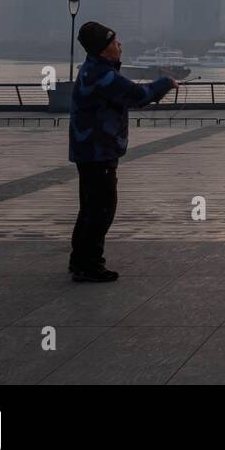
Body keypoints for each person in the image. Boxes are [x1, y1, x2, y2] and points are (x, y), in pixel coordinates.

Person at [68, 21, 176, 282]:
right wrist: (165, 83)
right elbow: (138, 94)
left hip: (89, 151)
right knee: (102, 208)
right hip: (98, 151)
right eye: (115, 42)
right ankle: (90, 265)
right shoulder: (102, 76)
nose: (119, 46)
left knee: (90, 208)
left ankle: (80, 261)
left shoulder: (93, 70)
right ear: (104, 50)